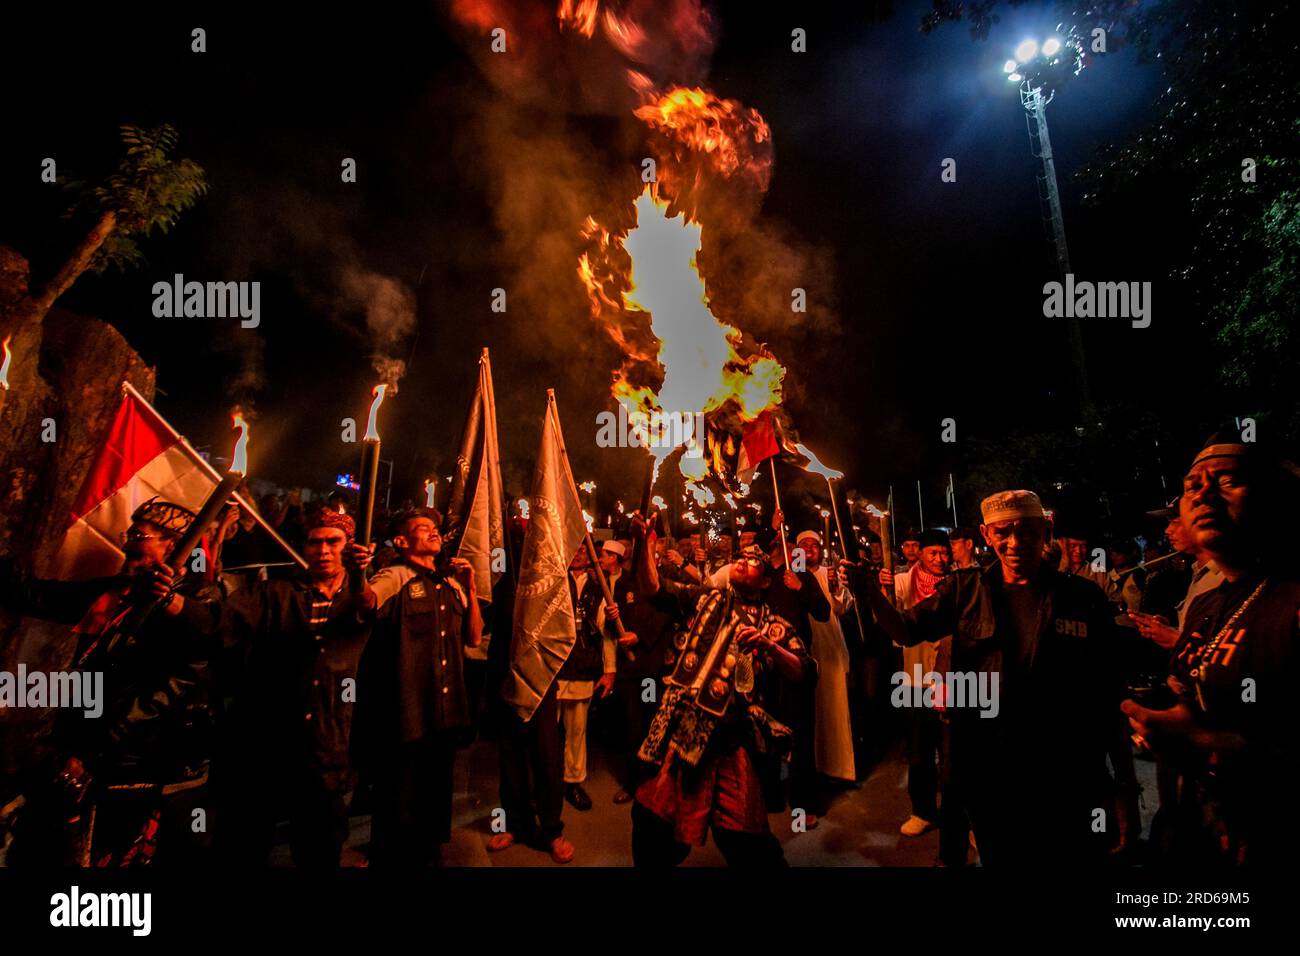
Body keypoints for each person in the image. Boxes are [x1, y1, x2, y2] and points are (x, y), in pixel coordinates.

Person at [851, 490, 1125, 867]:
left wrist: (1122, 787)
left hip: (1064, 769)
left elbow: (1107, 694)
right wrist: (869, 595)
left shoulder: (1083, 598)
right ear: (986, 534)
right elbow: (905, 632)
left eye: (1027, 531)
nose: (1015, 543)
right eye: (1003, 532)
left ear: (1045, 531)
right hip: (991, 767)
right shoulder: (965, 590)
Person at [0, 498, 221, 866]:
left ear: (172, 545)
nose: (127, 542)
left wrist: (92, 751)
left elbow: (171, 685)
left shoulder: (197, 598)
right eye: (128, 533)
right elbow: (34, 595)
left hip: (141, 763)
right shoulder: (118, 590)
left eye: (140, 535)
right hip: (82, 747)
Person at [1122, 433, 1300, 866]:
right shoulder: (1206, 601)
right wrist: (1171, 722)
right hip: (1198, 825)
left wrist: (1209, 742)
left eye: (1226, 480)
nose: (1202, 493)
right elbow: (1197, 697)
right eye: (1191, 485)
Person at [630, 522, 815, 867]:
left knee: (748, 838)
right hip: (683, 728)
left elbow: (804, 671)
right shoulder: (705, 598)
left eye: (754, 560)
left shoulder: (772, 623)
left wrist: (769, 646)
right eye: (740, 557)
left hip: (733, 738)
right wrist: (642, 544)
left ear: (765, 581)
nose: (743, 560)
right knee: (653, 824)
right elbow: (653, 589)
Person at [215, 507, 373, 866]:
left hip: (329, 747)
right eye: (315, 542)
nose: (324, 550)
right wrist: (173, 601)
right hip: (267, 745)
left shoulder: (362, 596)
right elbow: (219, 623)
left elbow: (371, 607)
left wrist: (364, 575)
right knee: (245, 843)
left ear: (349, 547)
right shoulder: (274, 593)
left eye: (334, 542)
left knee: (319, 847)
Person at [351, 507, 483, 866]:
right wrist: (355, 570)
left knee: (436, 800)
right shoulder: (395, 576)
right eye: (422, 529)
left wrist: (471, 587)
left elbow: (474, 637)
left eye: (434, 528)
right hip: (406, 714)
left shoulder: (452, 584)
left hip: (445, 715)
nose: (433, 533)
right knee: (398, 803)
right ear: (402, 541)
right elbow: (365, 601)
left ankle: (428, 854)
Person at [890, 529, 951, 838]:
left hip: (954, 681)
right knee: (919, 750)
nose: (940, 559)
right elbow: (890, 615)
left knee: (956, 753)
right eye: (933, 554)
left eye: (944, 553)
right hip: (914, 679)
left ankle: (963, 819)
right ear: (921, 555)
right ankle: (923, 811)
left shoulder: (958, 584)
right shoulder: (902, 581)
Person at [556, 544, 618, 813]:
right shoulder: (555, 582)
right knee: (547, 731)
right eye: (575, 548)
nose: (579, 553)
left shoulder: (598, 589)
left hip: (583, 666)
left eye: (584, 548)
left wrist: (610, 669)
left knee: (577, 730)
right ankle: (546, 781)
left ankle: (572, 782)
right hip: (553, 668)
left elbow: (606, 634)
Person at [794, 531, 856, 789]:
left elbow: (844, 607)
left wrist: (835, 588)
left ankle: (838, 768)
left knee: (834, 709)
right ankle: (811, 768)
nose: (809, 549)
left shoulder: (829, 575)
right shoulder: (792, 576)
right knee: (809, 714)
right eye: (803, 545)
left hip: (830, 648)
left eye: (814, 545)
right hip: (803, 651)